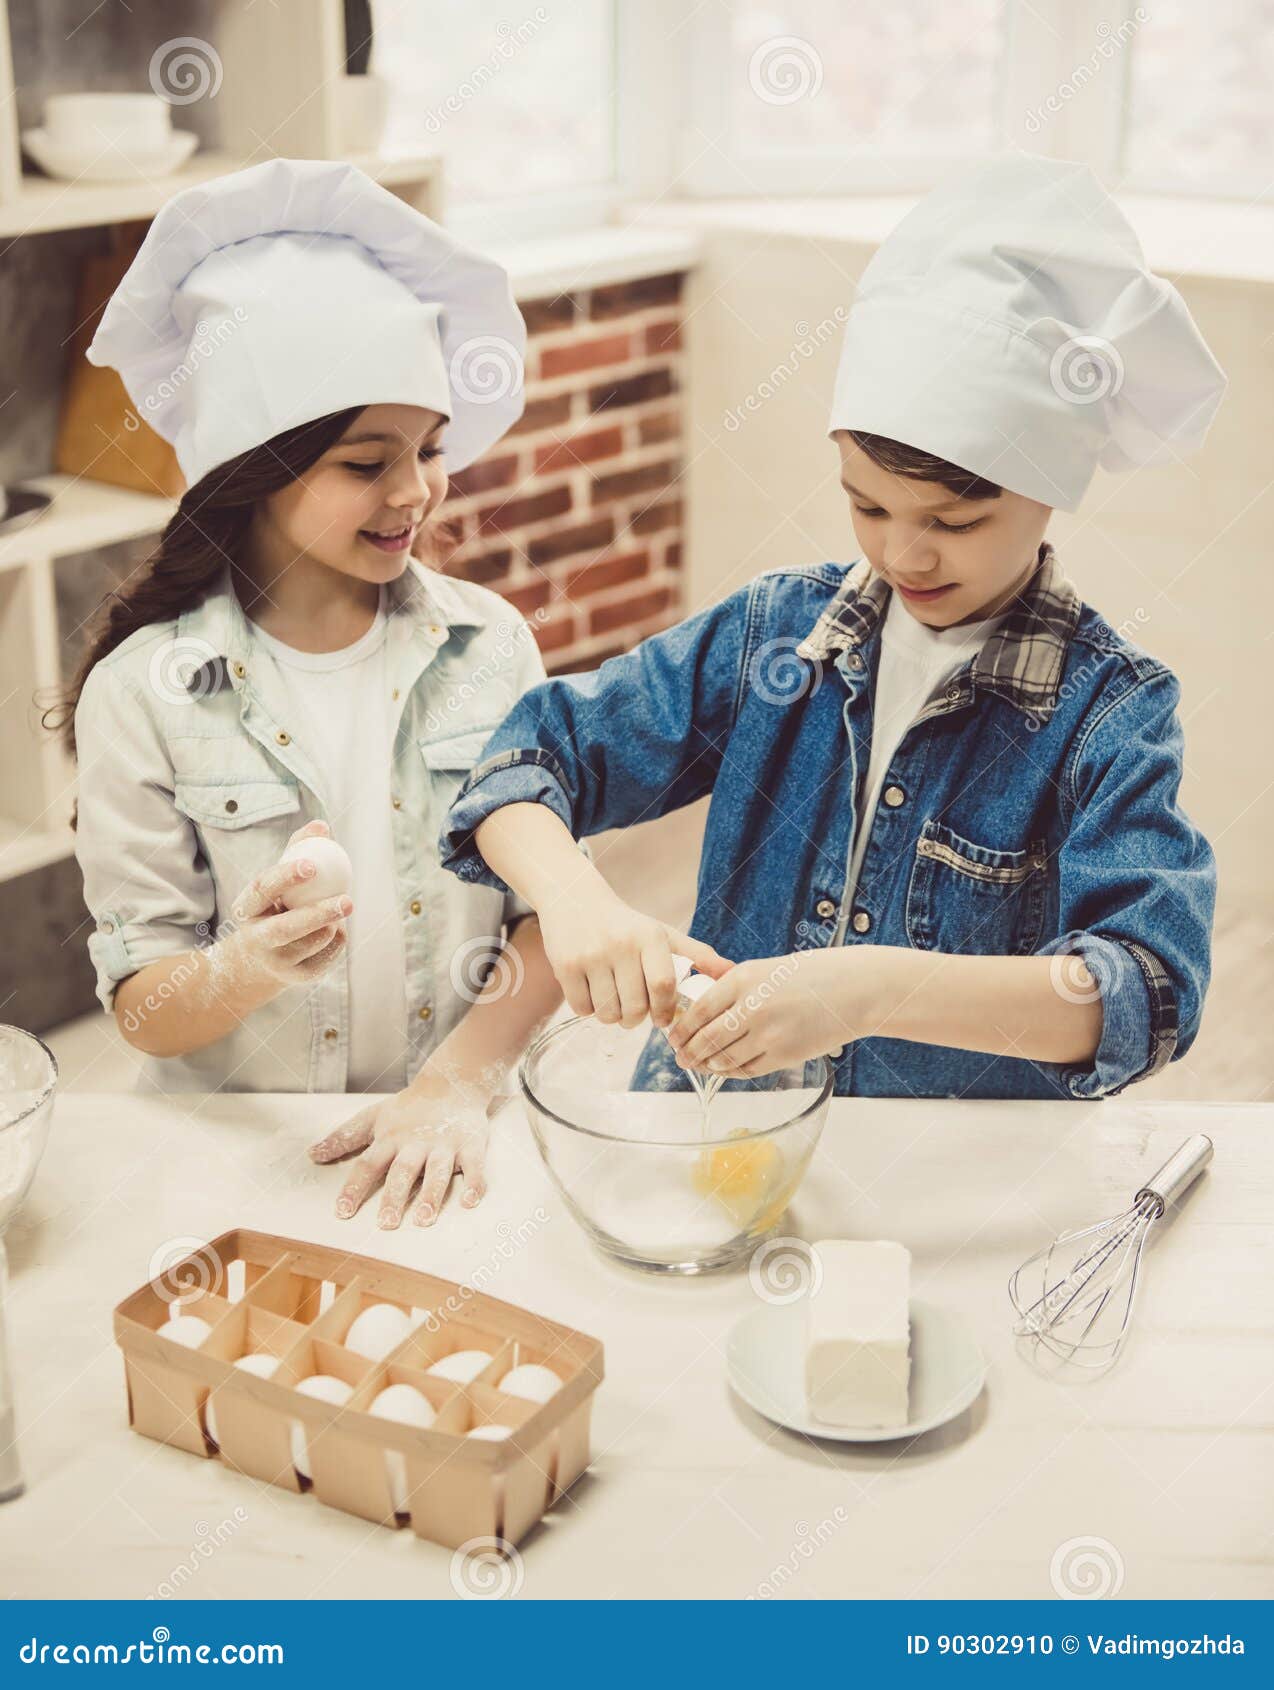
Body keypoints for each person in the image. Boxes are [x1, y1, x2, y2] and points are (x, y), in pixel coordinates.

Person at [440, 155, 1225, 1102]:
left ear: (1050, 492)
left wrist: (875, 990)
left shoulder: (1109, 712)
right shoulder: (774, 635)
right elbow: (528, 759)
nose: (904, 557)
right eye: (867, 506)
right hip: (714, 1134)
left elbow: (1144, 989)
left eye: (954, 521)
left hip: (945, 1176)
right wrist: (575, 902)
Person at [66, 160, 721, 1222]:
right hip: (245, 1151)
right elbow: (144, 1012)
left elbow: (544, 912)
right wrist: (248, 965)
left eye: (428, 448)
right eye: (365, 462)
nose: (414, 490)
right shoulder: (145, 693)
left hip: (455, 1120)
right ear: (253, 469)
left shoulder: (487, 644)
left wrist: (454, 1082)